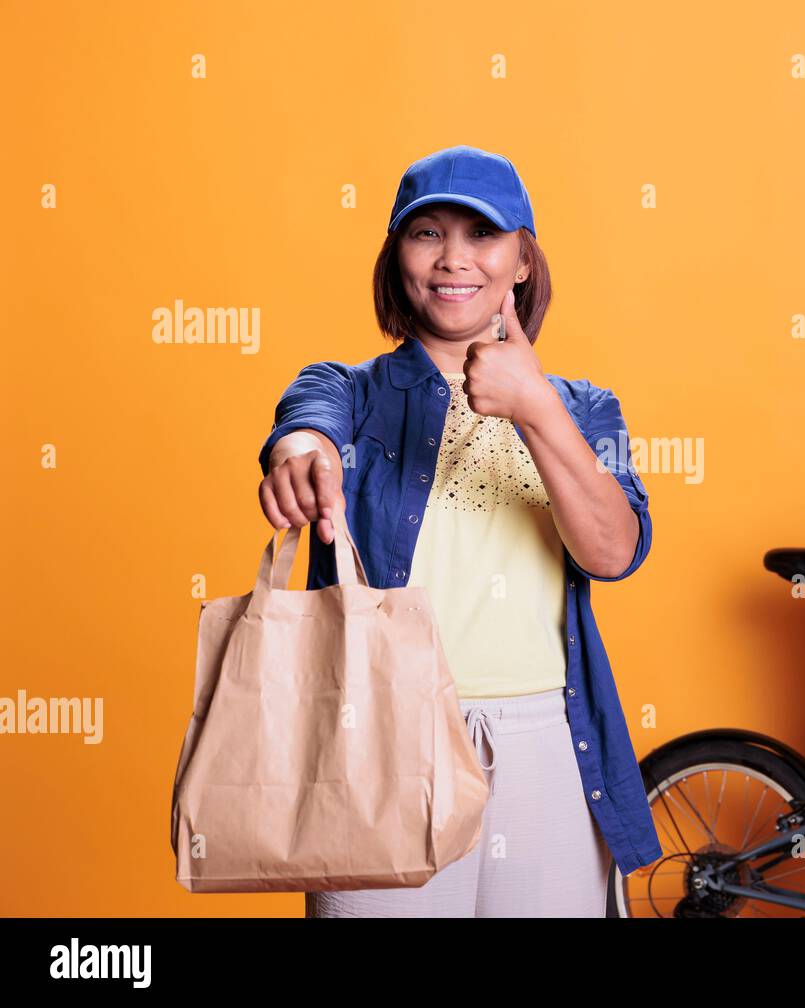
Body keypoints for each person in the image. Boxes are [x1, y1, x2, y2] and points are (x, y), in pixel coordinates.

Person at [255, 145, 662, 917]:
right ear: (397, 259)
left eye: (481, 235)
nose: (454, 259)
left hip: (547, 739)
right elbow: (306, 425)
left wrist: (535, 404)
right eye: (427, 234)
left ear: (521, 263)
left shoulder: (582, 408)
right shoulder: (350, 388)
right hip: (381, 742)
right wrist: (299, 457)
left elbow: (612, 551)